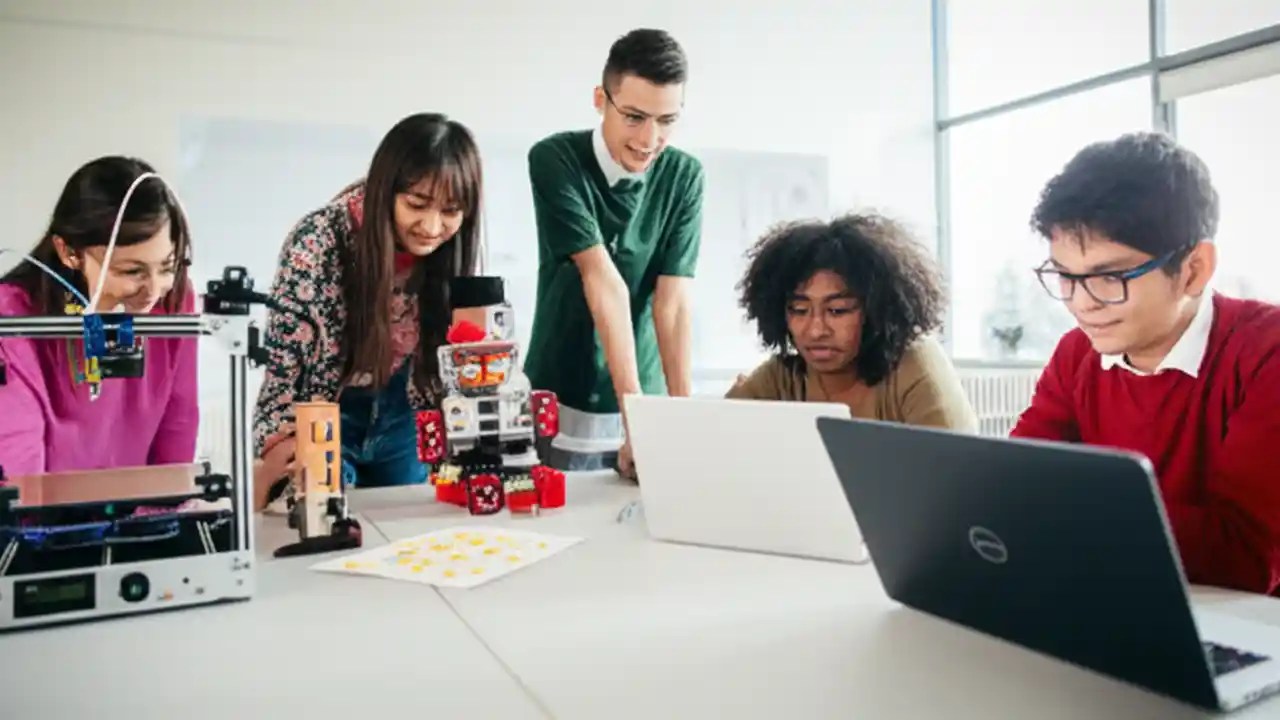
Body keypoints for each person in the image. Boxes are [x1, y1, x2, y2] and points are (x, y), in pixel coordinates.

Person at [1010, 131, 1280, 595]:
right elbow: (1017, 482)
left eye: (1110, 277)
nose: (1081, 304)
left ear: (1193, 269)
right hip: (1117, 595)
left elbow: (1247, 556)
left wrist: (1068, 508)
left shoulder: (1265, 352)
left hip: (1244, 623)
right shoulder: (1078, 353)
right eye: (1065, 276)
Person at [253, 113, 483, 509]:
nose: (432, 226)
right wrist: (282, 447)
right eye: (417, 204)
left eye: (450, 211)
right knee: (321, 528)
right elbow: (283, 365)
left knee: (408, 532)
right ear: (386, 189)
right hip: (328, 413)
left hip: (402, 413)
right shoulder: (318, 242)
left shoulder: (450, 254)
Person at [524, 28, 703, 477]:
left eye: (667, 121)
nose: (650, 138)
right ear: (600, 100)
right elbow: (603, 281)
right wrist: (635, 420)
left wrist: (684, 423)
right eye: (635, 117)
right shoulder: (555, 160)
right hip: (558, 399)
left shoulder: (685, 177)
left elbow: (674, 303)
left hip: (646, 399)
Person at [0, 156, 197, 476]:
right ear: (69, 252)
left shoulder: (174, 299)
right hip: (46, 520)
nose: (153, 291)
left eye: (166, 266)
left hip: (142, 518)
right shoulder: (13, 318)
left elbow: (178, 432)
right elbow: (18, 479)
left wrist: (167, 518)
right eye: (131, 270)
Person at [727, 213, 977, 432]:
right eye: (799, 310)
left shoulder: (914, 364)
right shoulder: (782, 377)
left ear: (876, 309)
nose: (815, 330)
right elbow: (710, 440)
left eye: (837, 311)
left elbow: (960, 472)